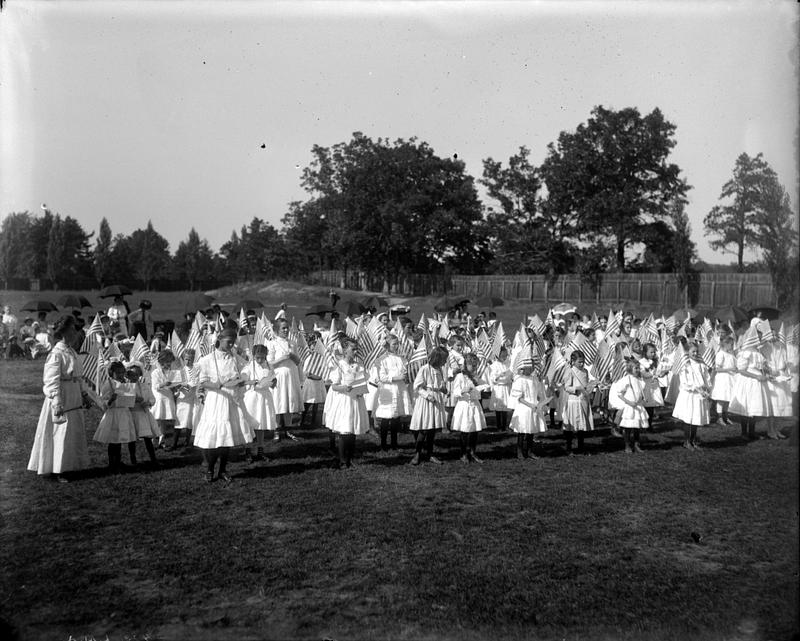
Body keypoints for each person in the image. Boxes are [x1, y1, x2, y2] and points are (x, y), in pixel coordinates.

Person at [27, 314, 90, 482]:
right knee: (60, 431)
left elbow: (78, 376)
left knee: (72, 432)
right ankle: (58, 469)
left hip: (73, 394)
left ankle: (71, 465)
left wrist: (84, 394)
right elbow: (51, 380)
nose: (75, 333)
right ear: (64, 332)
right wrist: (56, 401)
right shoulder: (56, 354)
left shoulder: (71, 352)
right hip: (62, 397)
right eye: (72, 330)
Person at [194, 327, 255, 483]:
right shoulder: (207, 360)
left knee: (227, 438)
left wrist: (243, 380)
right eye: (229, 342)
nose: (231, 345)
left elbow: (247, 370)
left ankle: (222, 470)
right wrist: (219, 385)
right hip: (216, 400)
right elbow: (203, 382)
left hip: (231, 401)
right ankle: (209, 469)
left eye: (233, 342)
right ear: (219, 340)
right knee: (213, 439)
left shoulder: (235, 358)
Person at [323, 337, 369, 469]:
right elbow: (334, 386)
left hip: (356, 400)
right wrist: (344, 388)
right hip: (345, 401)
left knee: (353, 430)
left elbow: (363, 381)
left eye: (356, 349)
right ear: (344, 350)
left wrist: (361, 390)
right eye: (352, 349)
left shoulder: (359, 365)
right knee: (345, 430)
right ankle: (342, 461)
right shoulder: (339, 365)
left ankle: (350, 458)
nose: (355, 352)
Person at [93, 361, 138, 472]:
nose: (121, 375)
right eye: (118, 373)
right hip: (114, 414)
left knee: (120, 439)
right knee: (114, 440)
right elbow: (103, 403)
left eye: (123, 372)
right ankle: (112, 463)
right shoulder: (108, 384)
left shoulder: (126, 382)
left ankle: (118, 461)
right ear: (111, 373)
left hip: (124, 412)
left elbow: (130, 396)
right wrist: (111, 399)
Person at [373, 334, 412, 455]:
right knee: (386, 418)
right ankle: (383, 444)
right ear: (388, 345)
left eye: (397, 343)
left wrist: (405, 377)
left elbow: (405, 372)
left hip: (399, 389)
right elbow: (382, 377)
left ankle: (394, 444)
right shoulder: (382, 359)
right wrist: (396, 377)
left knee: (396, 417)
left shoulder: (401, 358)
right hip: (388, 390)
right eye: (394, 344)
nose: (396, 346)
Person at [408, 346, 448, 465]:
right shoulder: (425, 369)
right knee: (424, 429)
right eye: (444, 359)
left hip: (436, 400)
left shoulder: (440, 369)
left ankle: (430, 453)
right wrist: (427, 395)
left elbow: (439, 385)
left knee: (432, 429)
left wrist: (443, 389)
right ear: (438, 358)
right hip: (427, 401)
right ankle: (417, 453)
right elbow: (417, 386)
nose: (445, 361)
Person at [268, 319, 304, 441]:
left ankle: (288, 429)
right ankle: (276, 430)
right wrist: (283, 358)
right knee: (279, 402)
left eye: (287, 327)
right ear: (277, 330)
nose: (286, 330)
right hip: (279, 376)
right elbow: (270, 363)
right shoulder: (272, 343)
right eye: (283, 328)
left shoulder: (292, 343)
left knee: (289, 402)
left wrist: (292, 356)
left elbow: (298, 361)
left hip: (291, 375)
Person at [672, 341, 711, 450]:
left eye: (696, 351)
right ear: (687, 352)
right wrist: (696, 388)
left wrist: (707, 388)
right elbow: (684, 383)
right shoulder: (685, 365)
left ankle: (693, 440)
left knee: (696, 418)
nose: (695, 353)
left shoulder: (701, 365)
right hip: (689, 395)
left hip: (699, 395)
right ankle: (686, 441)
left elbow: (706, 378)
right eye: (692, 351)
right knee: (688, 418)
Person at [450, 353, 489, 463]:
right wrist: (463, 390)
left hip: (475, 404)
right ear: (466, 365)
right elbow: (455, 392)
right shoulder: (460, 377)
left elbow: (483, 384)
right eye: (472, 365)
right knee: (465, 430)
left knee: (474, 430)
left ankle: (472, 451)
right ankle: (463, 453)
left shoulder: (474, 376)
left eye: (476, 366)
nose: (475, 368)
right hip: (465, 405)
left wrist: (482, 385)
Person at [508, 356, 549, 460]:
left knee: (531, 430)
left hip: (534, 407)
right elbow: (519, 397)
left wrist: (540, 400)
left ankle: (530, 451)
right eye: (528, 367)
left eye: (532, 367)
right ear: (523, 367)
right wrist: (530, 405)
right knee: (522, 430)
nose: (531, 369)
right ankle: (520, 451)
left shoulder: (534, 379)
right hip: (524, 407)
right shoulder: (520, 379)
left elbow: (538, 393)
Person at [242, 344, 277, 464]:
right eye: (258, 357)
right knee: (250, 425)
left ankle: (260, 451)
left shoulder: (269, 366)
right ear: (253, 355)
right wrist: (251, 381)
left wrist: (273, 382)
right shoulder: (249, 366)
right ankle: (248, 451)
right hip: (252, 397)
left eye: (262, 357)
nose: (260, 360)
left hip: (265, 397)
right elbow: (242, 380)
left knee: (261, 424)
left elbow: (273, 379)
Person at [562, 350, 597, 455]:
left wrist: (591, 386)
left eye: (583, 362)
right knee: (571, 425)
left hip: (583, 400)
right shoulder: (570, 371)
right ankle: (569, 448)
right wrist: (577, 388)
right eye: (579, 362)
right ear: (573, 361)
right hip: (574, 401)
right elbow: (566, 387)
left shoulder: (585, 371)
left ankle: (581, 447)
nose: (581, 364)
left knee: (581, 426)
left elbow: (586, 384)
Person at [126, 363, 161, 468]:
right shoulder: (126, 387)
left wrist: (148, 403)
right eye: (132, 375)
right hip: (132, 414)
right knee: (132, 438)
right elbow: (124, 401)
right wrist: (134, 400)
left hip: (143, 414)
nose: (134, 377)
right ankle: (133, 459)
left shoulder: (144, 386)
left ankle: (153, 458)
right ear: (127, 375)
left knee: (147, 437)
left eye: (136, 375)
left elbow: (152, 398)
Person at [616, 359, 649, 453]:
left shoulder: (639, 380)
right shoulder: (626, 380)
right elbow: (619, 393)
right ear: (630, 369)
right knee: (628, 427)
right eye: (636, 368)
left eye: (639, 368)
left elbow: (641, 392)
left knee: (637, 427)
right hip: (630, 407)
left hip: (638, 406)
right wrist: (628, 402)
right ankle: (627, 445)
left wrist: (643, 399)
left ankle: (636, 444)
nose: (638, 370)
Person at [150, 350, 179, 449]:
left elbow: (173, 385)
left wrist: (175, 388)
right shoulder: (156, 372)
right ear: (162, 361)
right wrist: (164, 384)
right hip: (159, 398)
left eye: (170, 362)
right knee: (156, 420)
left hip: (167, 397)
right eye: (167, 362)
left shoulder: (171, 372)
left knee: (163, 422)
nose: (169, 364)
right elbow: (155, 386)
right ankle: (153, 440)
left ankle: (162, 441)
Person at [173, 348, 200, 450]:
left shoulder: (195, 370)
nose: (188, 361)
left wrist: (185, 384)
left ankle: (186, 442)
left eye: (190, 359)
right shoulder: (180, 371)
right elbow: (175, 384)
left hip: (192, 398)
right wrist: (177, 387)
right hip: (182, 399)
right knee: (179, 420)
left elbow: (195, 382)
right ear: (183, 359)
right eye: (186, 359)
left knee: (190, 420)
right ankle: (174, 443)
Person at [710, 334, 737, 426]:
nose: (732, 346)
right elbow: (717, 368)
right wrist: (729, 369)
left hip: (730, 379)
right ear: (726, 344)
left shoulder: (731, 355)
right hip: (723, 379)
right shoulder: (720, 354)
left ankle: (726, 416)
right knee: (721, 398)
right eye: (731, 344)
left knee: (727, 399)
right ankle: (719, 417)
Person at [488, 345, 514, 431]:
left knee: (505, 407)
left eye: (506, 356)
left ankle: (504, 425)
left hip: (506, 387)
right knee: (498, 407)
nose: (504, 357)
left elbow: (511, 375)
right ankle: (499, 425)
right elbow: (492, 378)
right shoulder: (494, 365)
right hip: (498, 388)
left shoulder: (507, 364)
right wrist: (499, 375)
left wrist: (510, 376)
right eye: (503, 356)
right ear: (498, 355)